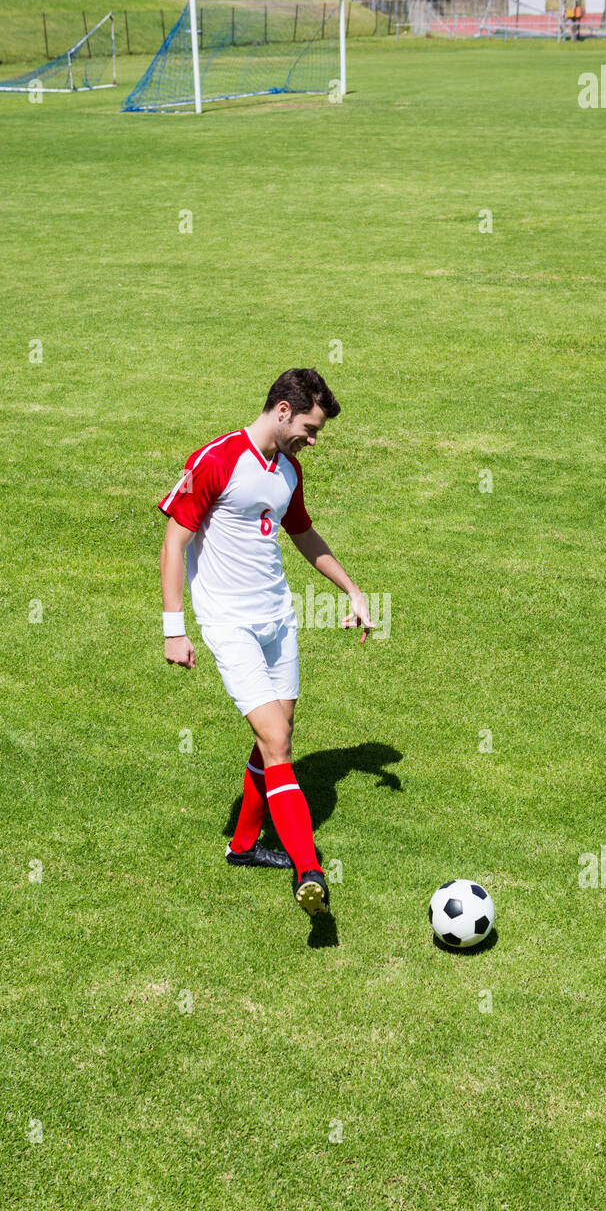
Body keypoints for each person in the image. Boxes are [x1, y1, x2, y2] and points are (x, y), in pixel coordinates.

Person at [158, 368, 374, 917]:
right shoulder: (217, 458)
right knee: (277, 742)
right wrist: (173, 627)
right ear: (282, 410)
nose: (313, 437)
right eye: (309, 425)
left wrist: (351, 589)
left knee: (281, 733)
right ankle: (310, 870)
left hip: (278, 618)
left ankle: (243, 845)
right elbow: (175, 539)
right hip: (229, 625)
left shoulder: (288, 472)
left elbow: (302, 533)